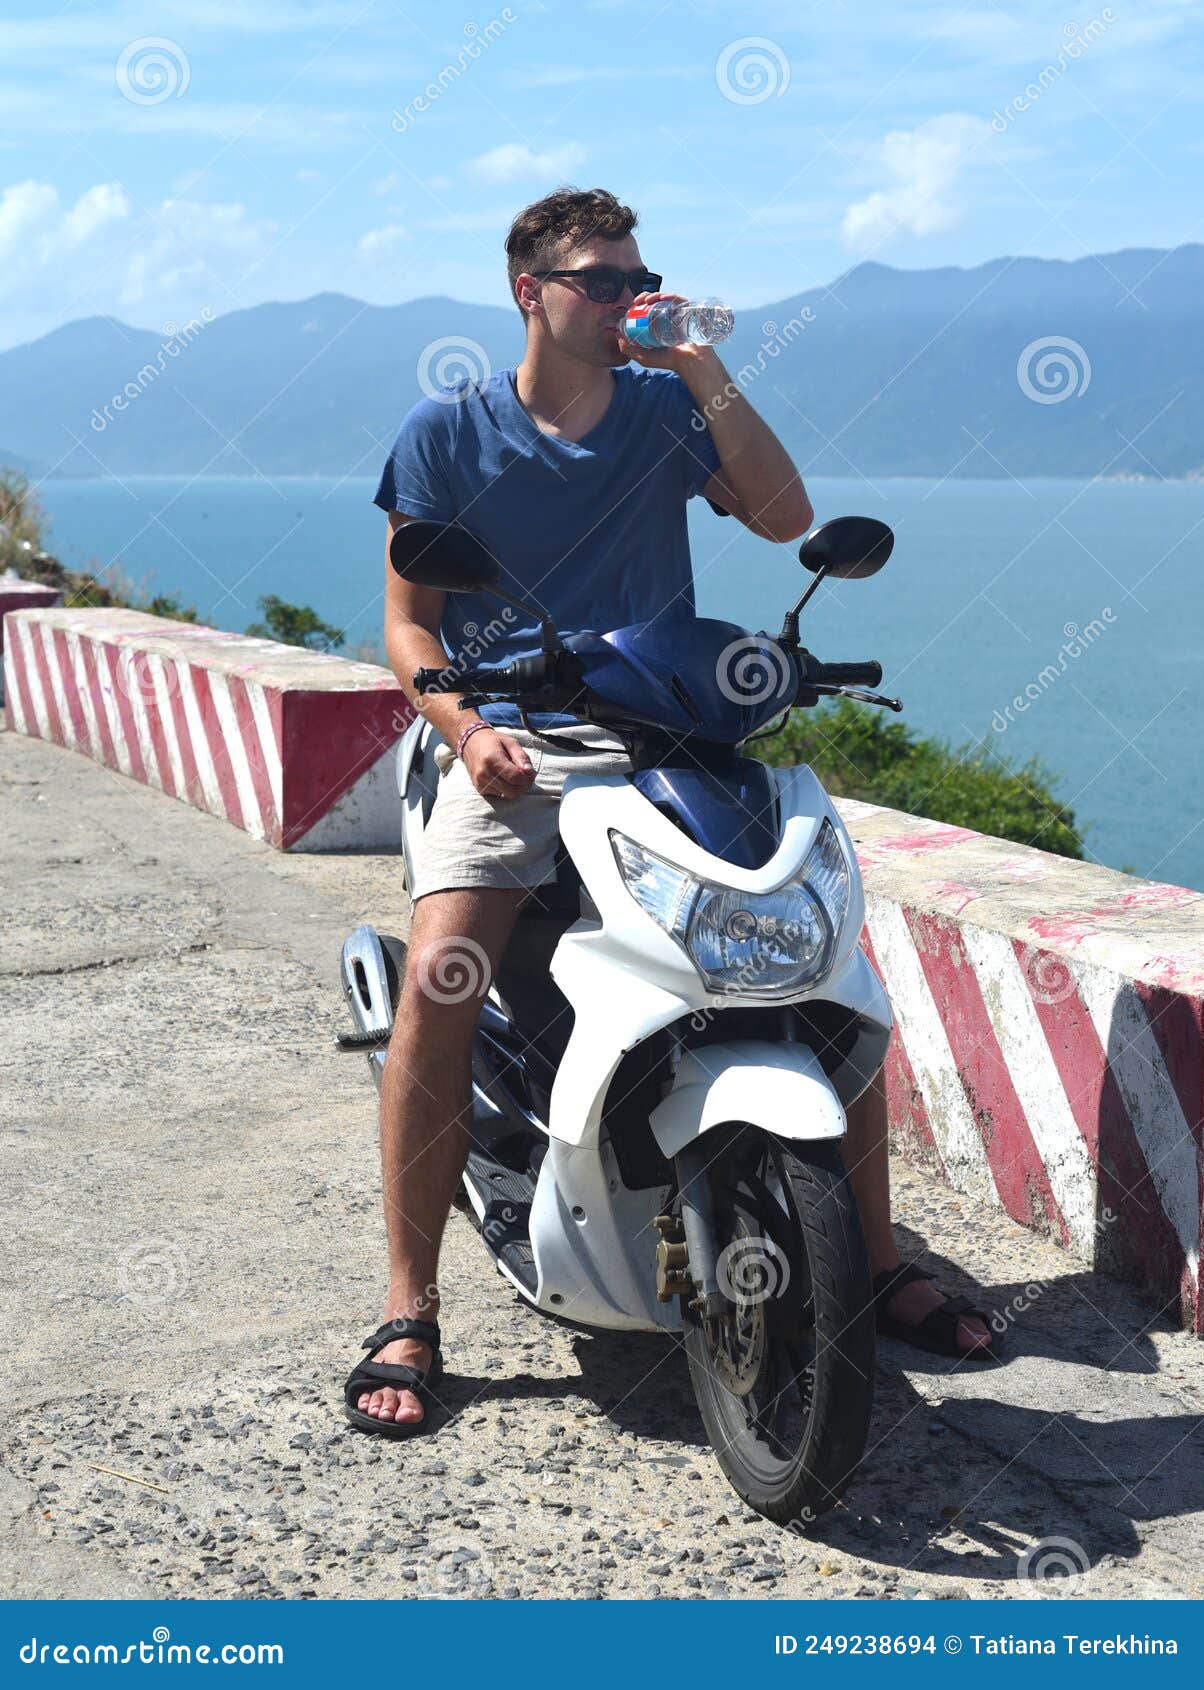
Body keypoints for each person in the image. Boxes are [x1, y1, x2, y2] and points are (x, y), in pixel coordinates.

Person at [343, 187, 996, 1438]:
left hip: (665, 730)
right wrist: (468, 732)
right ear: (528, 292)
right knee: (440, 975)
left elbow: (787, 518)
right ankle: (409, 1301)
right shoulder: (448, 431)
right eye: (598, 278)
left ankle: (872, 1255)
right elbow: (409, 624)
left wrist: (698, 364)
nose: (624, 297)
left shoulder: (660, 408)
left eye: (638, 276)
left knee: (820, 968)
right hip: (509, 742)